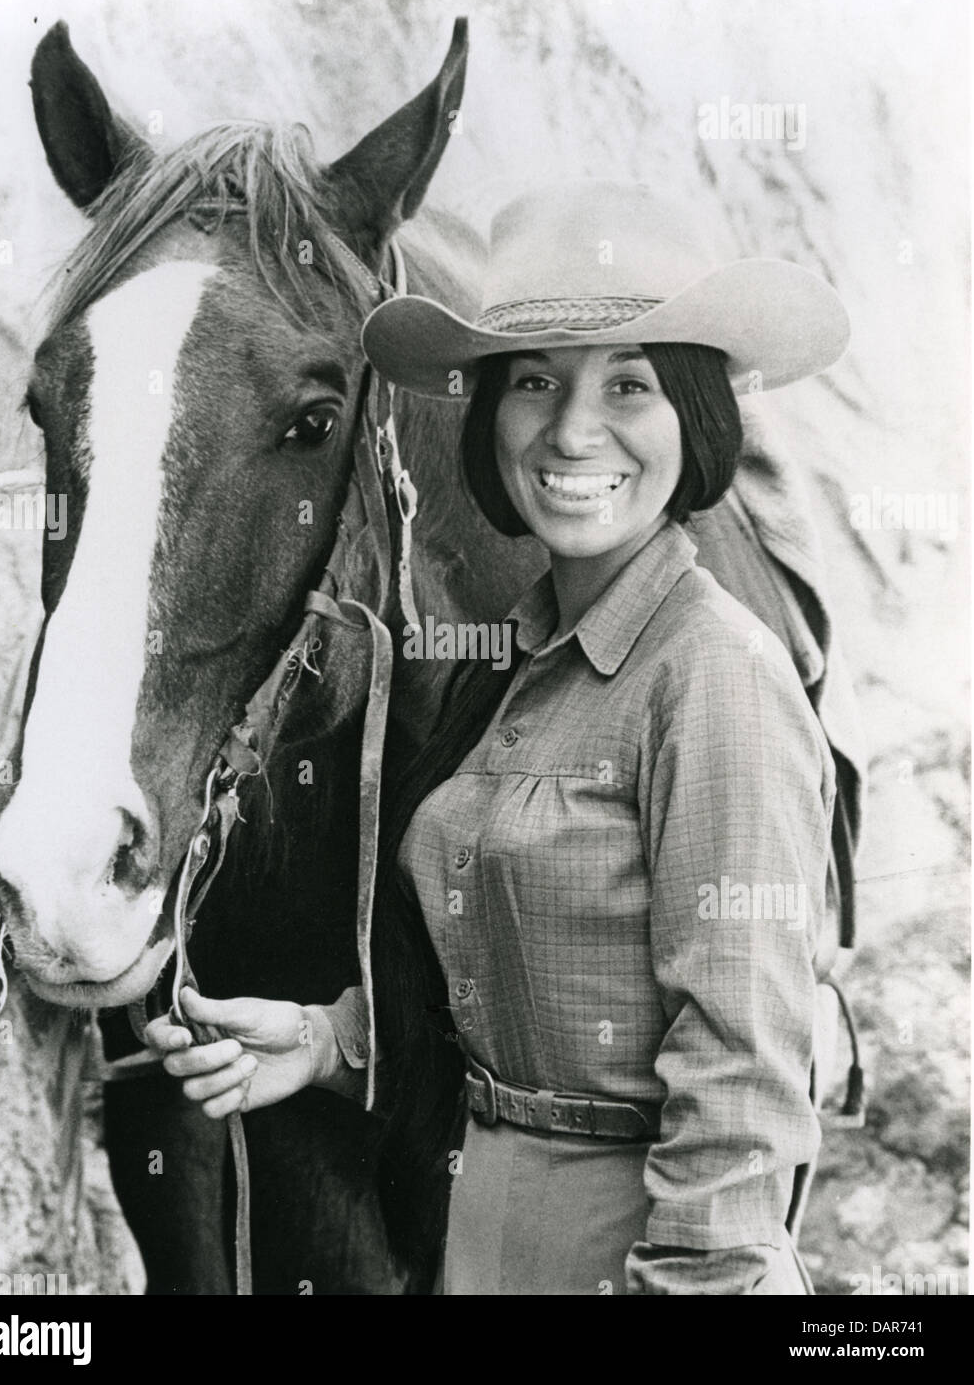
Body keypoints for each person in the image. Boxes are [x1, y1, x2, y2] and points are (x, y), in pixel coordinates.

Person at [146, 181, 850, 1294]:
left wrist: (694, 1282)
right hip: (483, 1222)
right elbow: (522, 989)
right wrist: (331, 1041)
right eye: (534, 382)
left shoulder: (709, 674)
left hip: (632, 1241)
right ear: (488, 416)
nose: (573, 430)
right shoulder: (525, 664)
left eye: (630, 383)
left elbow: (743, 1079)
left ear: (696, 420)